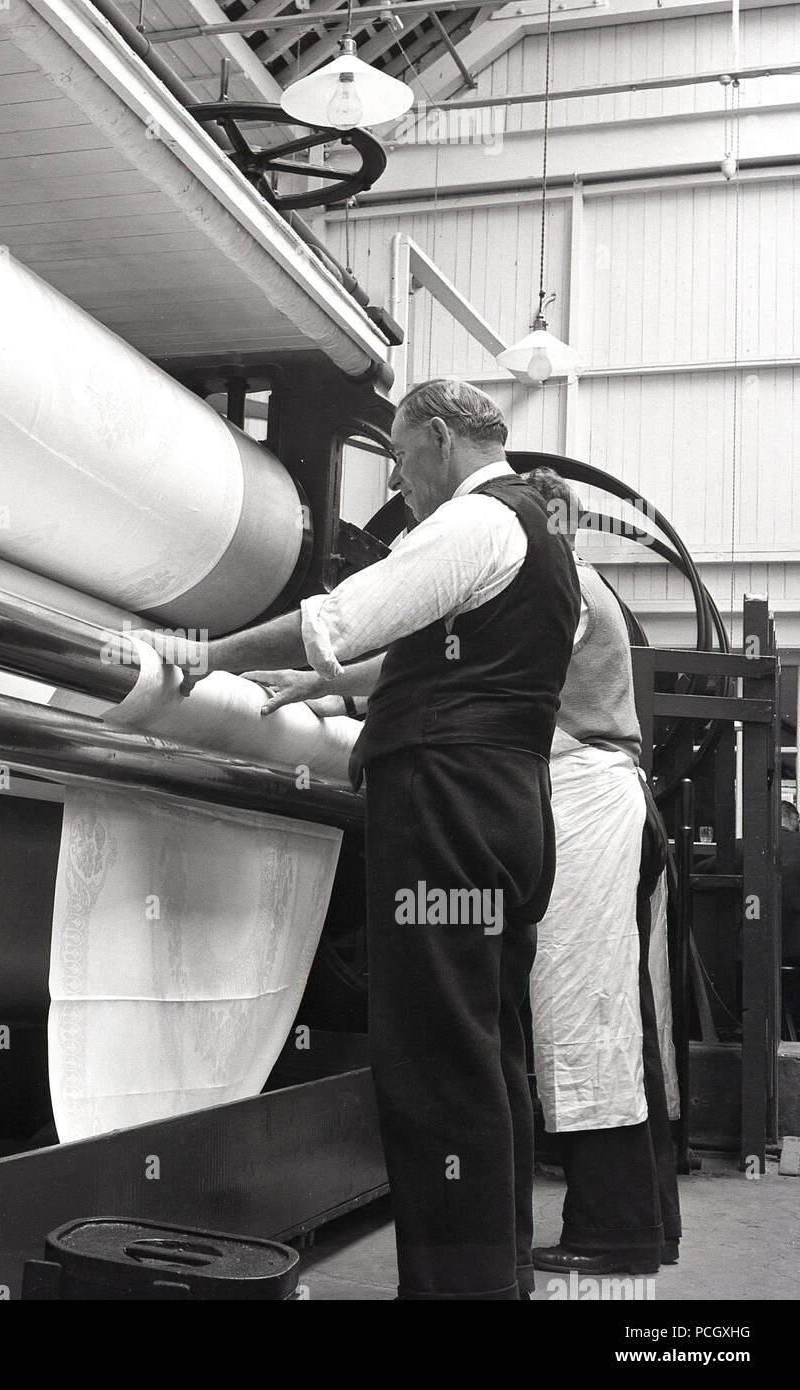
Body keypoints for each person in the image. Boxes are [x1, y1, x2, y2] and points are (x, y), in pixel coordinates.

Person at [140, 378, 580, 1299]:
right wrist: (328, 690)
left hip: (444, 808)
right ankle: (493, 1279)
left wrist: (204, 656)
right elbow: (457, 647)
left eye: (397, 451)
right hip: (505, 810)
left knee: (430, 1062)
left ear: (436, 435)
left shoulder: (469, 523)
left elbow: (334, 617)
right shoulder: (534, 538)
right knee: (483, 1050)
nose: (397, 475)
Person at [519, 467, 682, 1275]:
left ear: (554, 515)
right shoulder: (577, 585)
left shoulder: (564, 586)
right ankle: (635, 1225)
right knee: (611, 1017)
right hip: (598, 794)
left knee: (588, 1012)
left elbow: (496, 684)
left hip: (586, 793)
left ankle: (610, 1236)